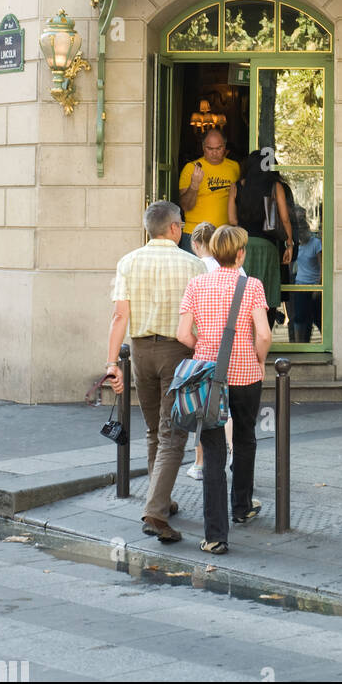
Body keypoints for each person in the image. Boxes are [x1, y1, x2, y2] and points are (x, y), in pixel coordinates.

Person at [105, 201, 206, 543]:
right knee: (173, 434)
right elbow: (201, 319)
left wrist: (111, 363)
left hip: (140, 351)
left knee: (153, 429)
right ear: (175, 228)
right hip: (177, 352)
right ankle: (156, 513)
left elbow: (120, 317)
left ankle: (160, 498)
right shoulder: (192, 265)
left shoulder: (128, 262)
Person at [177, 225, 272, 555]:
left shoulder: (196, 284)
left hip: (207, 377)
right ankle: (242, 506)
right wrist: (259, 361)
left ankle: (215, 535)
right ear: (241, 254)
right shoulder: (252, 286)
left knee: (213, 450)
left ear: (212, 252)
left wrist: (202, 347)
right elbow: (263, 334)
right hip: (246, 374)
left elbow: (182, 333)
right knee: (245, 437)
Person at [185, 222, 241, 482]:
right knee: (227, 408)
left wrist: (197, 341)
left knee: (204, 409)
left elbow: (184, 327)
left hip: (205, 351)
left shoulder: (195, 272)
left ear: (196, 244)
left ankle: (200, 463)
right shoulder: (237, 272)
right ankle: (230, 453)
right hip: (233, 351)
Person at [229, 150, 291, 330]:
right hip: (268, 246)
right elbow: (284, 218)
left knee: (242, 294)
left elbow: (232, 220)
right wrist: (289, 244)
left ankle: (244, 336)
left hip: (243, 245)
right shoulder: (275, 186)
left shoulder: (237, 186)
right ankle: (264, 338)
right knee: (267, 294)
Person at [178, 130, 241, 236]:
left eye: (219, 148)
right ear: (203, 148)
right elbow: (186, 207)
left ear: (225, 147)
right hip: (196, 234)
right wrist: (194, 185)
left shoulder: (234, 167)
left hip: (224, 234)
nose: (214, 153)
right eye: (210, 148)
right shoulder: (191, 168)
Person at [290, 207, 323, 344]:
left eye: (303, 231)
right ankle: (299, 345)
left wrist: (318, 287)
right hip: (300, 285)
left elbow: (323, 267)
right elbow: (291, 265)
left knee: (318, 318)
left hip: (314, 286)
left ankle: (325, 344)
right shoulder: (296, 246)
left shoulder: (315, 244)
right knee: (299, 318)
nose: (301, 235)